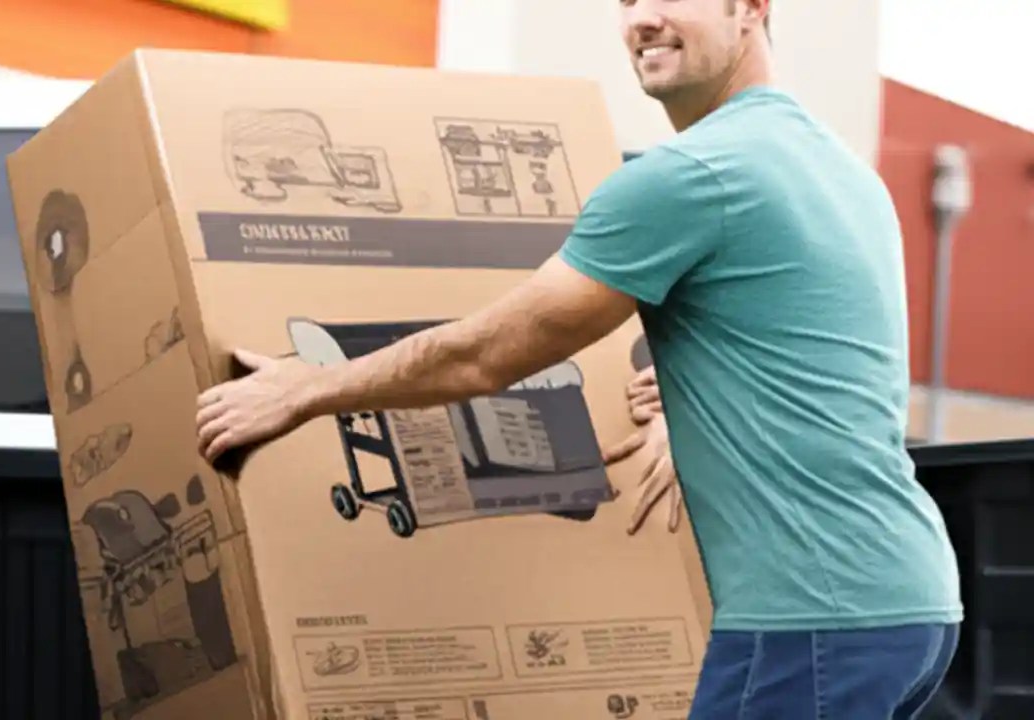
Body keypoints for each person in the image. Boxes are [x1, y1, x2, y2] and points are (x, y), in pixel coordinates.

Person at [194, 0, 963, 716]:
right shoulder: (840, 172)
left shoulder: (689, 177)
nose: (644, 18)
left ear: (753, 6)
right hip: (910, 603)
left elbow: (486, 356)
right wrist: (697, 415)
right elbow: (818, 362)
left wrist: (309, 387)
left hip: (809, 620)